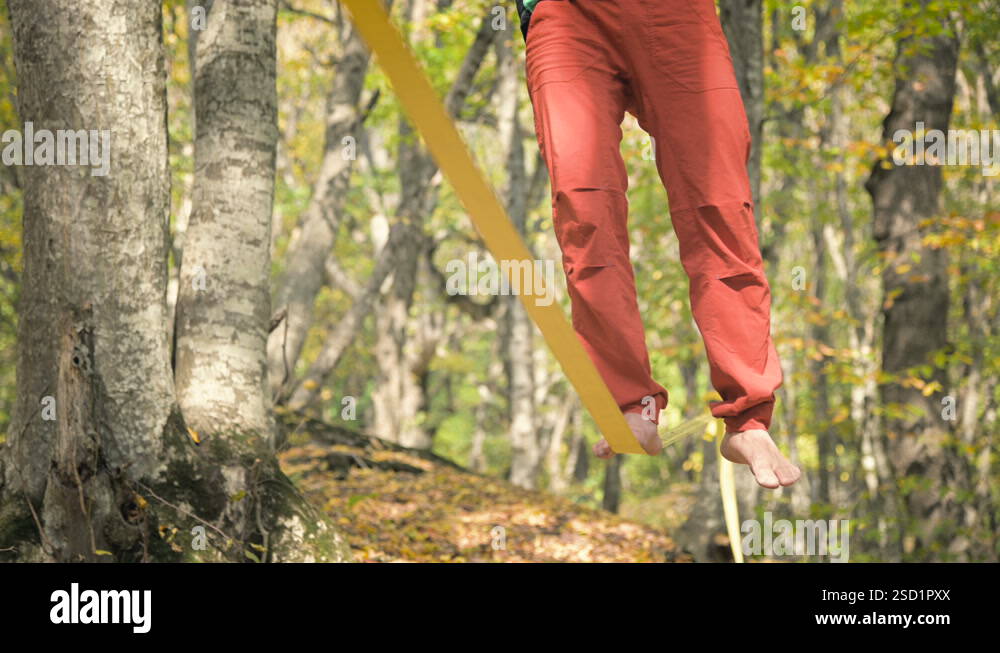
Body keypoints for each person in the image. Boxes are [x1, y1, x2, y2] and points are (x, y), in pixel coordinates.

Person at [515, 0, 800, 488]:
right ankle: (631, 403)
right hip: (565, 15)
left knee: (719, 205)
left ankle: (748, 418)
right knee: (585, 211)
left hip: (675, 11)